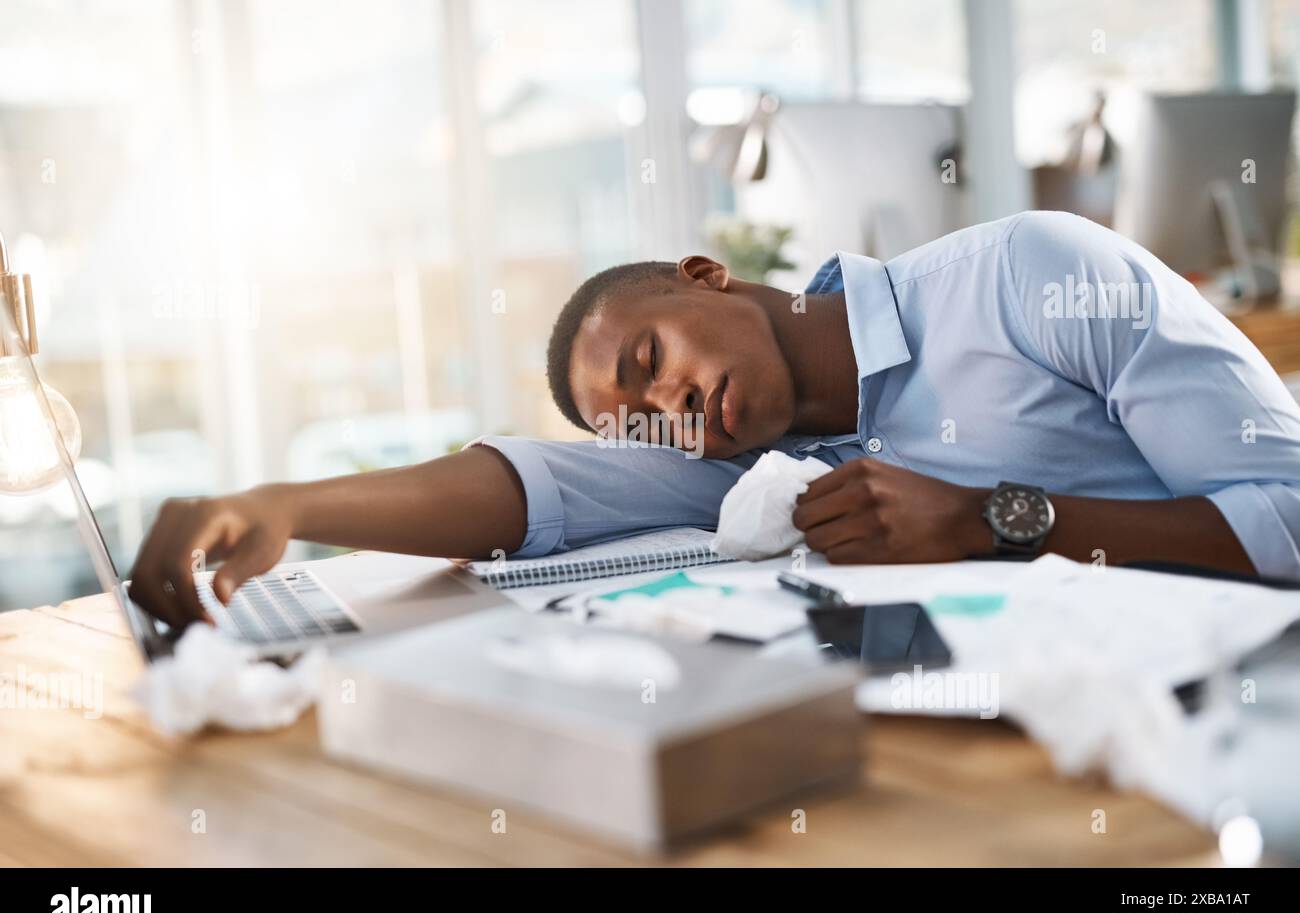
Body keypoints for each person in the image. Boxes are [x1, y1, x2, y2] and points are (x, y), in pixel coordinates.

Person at [128, 211, 1300, 627]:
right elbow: (536, 490)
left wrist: (994, 521)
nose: (672, 414)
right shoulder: (754, 464)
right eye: (643, 421)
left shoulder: (1030, 274)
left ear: (706, 274)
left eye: (650, 360)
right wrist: (282, 502)